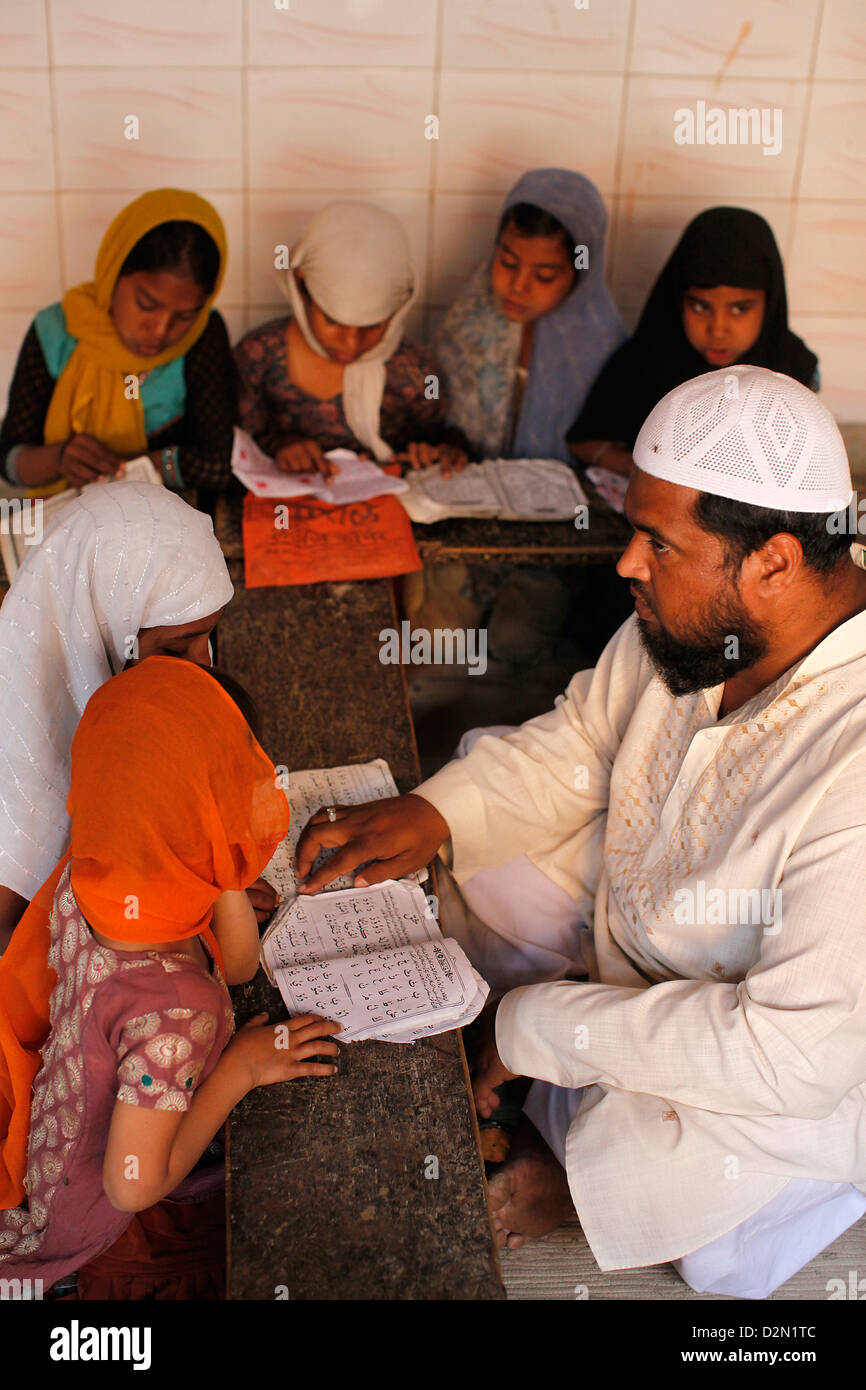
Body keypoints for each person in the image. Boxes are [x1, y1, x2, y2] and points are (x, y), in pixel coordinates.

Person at [295, 366, 866, 1299]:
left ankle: (602, 1169)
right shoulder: (692, 626)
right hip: (649, 935)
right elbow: (585, 741)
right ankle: (577, 1089)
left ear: (773, 562)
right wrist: (435, 811)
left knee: (716, 1250)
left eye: (657, 543)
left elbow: (790, 1052)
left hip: (812, 1049)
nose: (625, 564)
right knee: (477, 844)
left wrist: (537, 1027)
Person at [0, 657, 340, 1298]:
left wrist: (222, 878)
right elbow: (132, 1183)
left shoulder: (92, 871)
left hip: (40, 1148)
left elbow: (238, 966)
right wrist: (242, 1067)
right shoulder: (177, 1010)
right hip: (69, 1230)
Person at [0, 482, 234, 949]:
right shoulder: (18, 753)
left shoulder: (132, 702)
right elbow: (14, 947)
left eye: (209, 635)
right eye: (176, 647)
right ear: (102, 627)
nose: (206, 665)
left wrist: (206, 888)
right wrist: (173, 923)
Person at [0, 188, 236, 494]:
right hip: (65, 511)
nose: (161, 330)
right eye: (146, 304)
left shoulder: (204, 333)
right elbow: (9, 461)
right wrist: (62, 458)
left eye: (185, 315)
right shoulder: (58, 329)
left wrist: (120, 471)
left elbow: (216, 464)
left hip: (164, 514)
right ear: (113, 274)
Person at [568, 206, 818, 477]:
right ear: (677, 299)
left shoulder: (791, 368)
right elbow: (583, 441)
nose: (718, 329)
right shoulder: (644, 361)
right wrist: (635, 468)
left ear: (769, 305)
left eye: (739, 309)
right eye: (699, 307)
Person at [235, 201, 464, 481]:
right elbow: (234, 445)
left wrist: (439, 453)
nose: (351, 343)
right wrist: (280, 445)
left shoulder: (417, 373)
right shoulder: (257, 357)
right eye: (332, 321)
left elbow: (442, 440)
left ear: (399, 307)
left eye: (372, 326)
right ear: (300, 286)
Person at [434, 167, 625, 465]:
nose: (518, 287)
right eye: (508, 263)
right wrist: (452, 445)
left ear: (581, 273)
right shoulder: (466, 325)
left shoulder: (605, 351)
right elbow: (443, 415)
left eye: (545, 276)